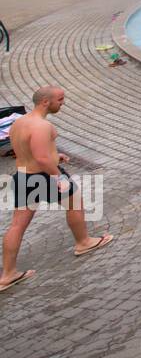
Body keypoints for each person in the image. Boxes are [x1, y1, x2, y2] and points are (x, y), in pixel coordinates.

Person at [1, 86, 113, 293]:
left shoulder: (20, 122)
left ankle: (8, 274)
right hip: (44, 176)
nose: (63, 102)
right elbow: (42, 158)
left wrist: (55, 156)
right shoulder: (42, 126)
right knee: (75, 203)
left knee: (17, 225)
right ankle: (84, 242)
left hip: (23, 176)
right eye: (60, 99)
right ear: (45, 102)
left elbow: (27, 150)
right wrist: (58, 176)